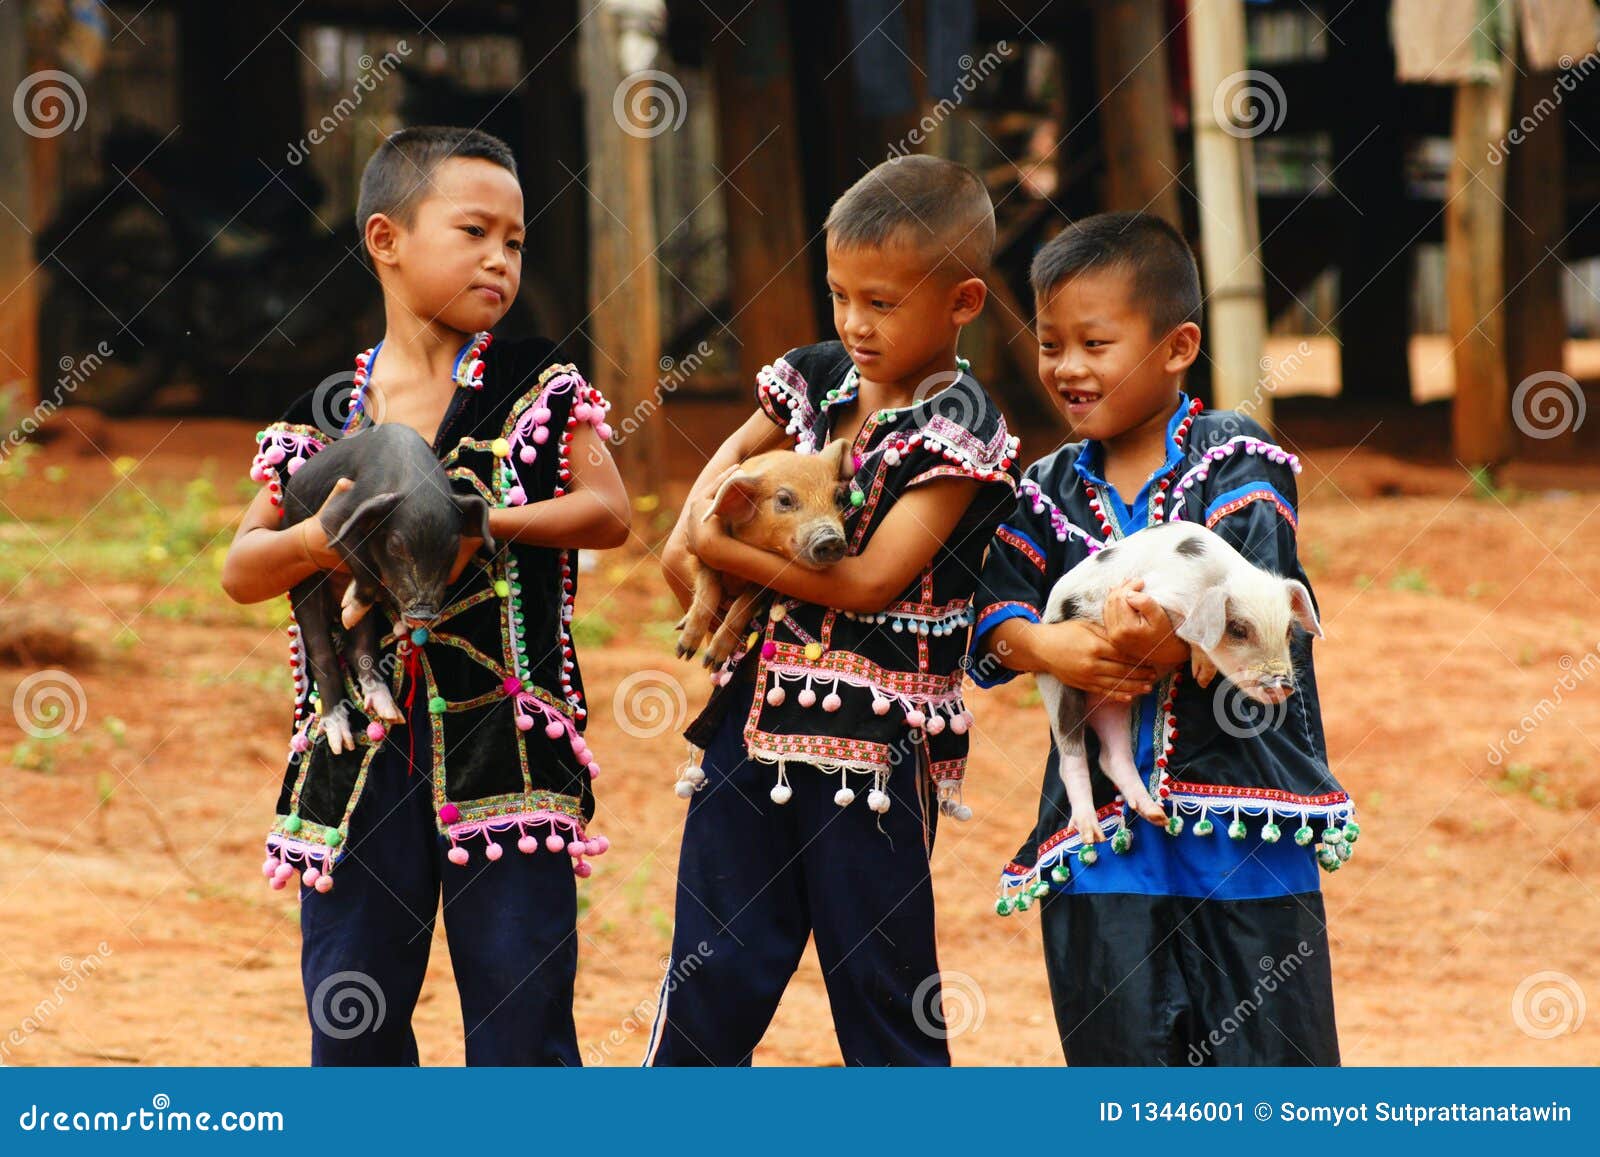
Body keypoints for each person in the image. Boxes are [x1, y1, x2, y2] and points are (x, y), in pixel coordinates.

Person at [220, 126, 630, 1066]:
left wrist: (482, 523)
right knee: (351, 1015)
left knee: (521, 1015)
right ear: (386, 240)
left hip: (506, 747)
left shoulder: (537, 384)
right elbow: (242, 569)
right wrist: (321, 538)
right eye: (474, 232)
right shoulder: (328, 415)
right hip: (356, 756)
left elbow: (609, 513)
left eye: (515, 241)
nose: (499, 259)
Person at [646, 155, 1020, 1066]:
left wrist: (720, 551)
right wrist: (694, 537)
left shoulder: (961, 429)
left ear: (964, 302)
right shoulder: (816, 380)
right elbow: (725, 477)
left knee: (883, 987)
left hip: (878, 751)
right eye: (840, 295)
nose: (854, 322)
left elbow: (867, 584)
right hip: (751, 723)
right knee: (710, 975)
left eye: (882, 303)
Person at [969, 211, 1354, 1066]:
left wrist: (1162, 643)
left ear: (1178, 347)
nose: (1067, 367)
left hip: (1245, 840)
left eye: (1096, 343)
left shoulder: (1236, 458)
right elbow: (993, 620)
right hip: (1102, 854)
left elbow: (1252, 600)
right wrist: (1052, 649)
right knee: (1122, 1085)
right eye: (1050, 343)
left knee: (1275, 1086)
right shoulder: (1044, 492)